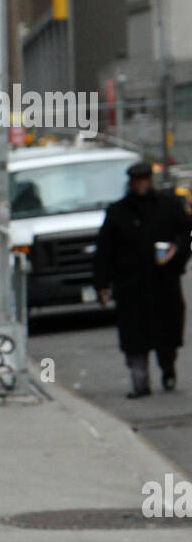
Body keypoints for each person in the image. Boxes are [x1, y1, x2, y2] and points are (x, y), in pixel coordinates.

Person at [93, 160, 192, 397]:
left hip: (163, 281)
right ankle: (140, 382)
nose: (141, 185)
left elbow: (186, 234)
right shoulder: (118, 212)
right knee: (134, 337)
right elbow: (105, 249)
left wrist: (176, 252)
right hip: (130, 285)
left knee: (167, 333)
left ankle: (167, 369)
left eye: (145, 180)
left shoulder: (169, 206)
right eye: (137, 181)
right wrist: (102, 283)